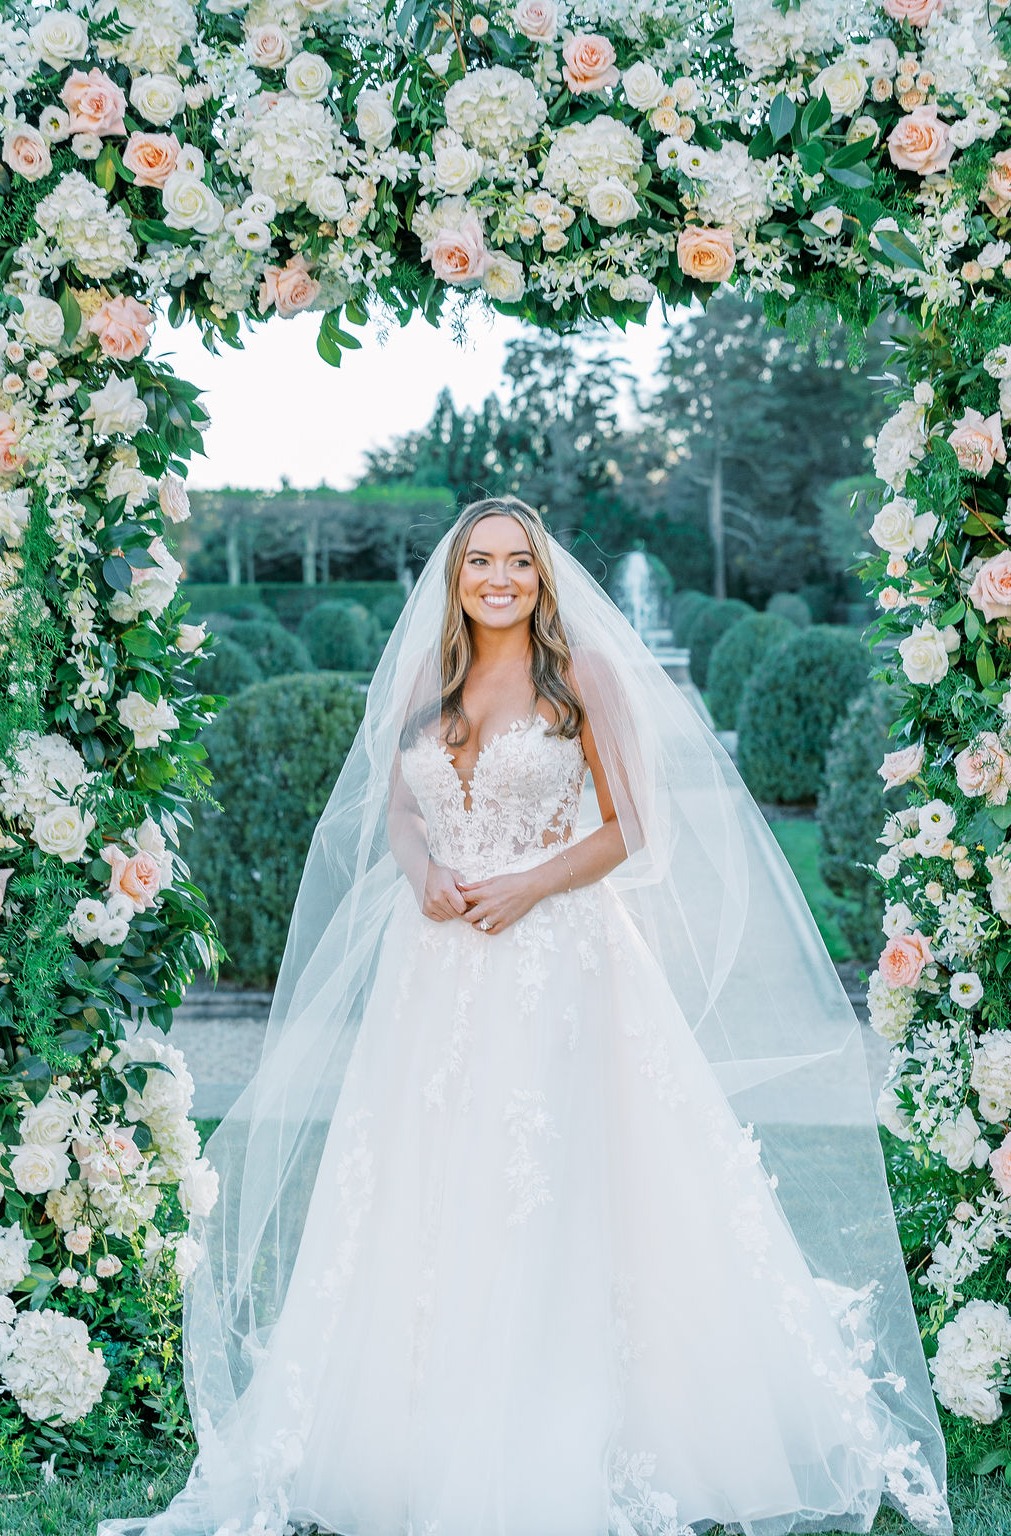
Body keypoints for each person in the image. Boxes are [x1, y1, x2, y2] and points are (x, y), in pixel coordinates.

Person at [100, 497, 953, 1536]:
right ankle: (408, 1423)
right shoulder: (433, 678)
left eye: (516, 563)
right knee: (424, 1173)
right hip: (436, 964)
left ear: (542, 576)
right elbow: (403, 809)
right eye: (478, 563)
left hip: (554, 959)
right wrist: (421, 874)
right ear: (454, 576)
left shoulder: (580, 676)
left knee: (547, 1175)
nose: (497, 579)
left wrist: (528, 886)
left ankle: (564, 1422)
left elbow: (632, 826)